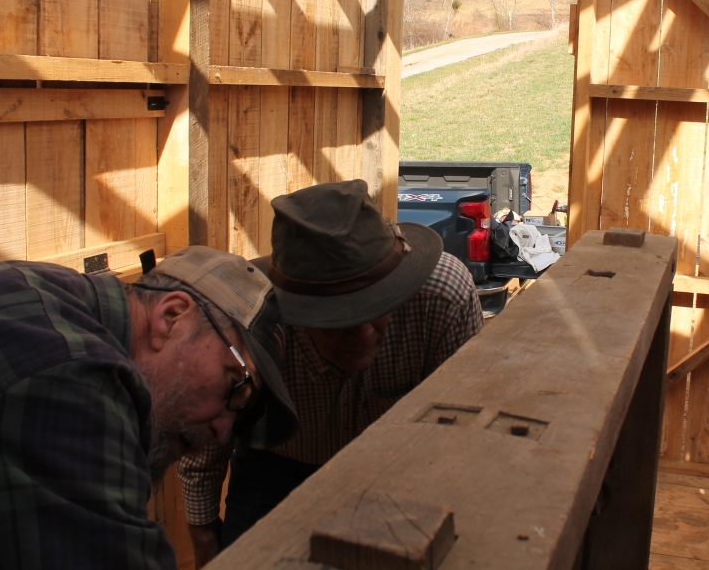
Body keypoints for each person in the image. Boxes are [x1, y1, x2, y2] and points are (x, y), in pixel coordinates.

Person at [181, 180, 484, 566]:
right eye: (335, 320)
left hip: (404, 472)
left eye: (376, 307)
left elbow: (465, 438)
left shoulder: (442, 298)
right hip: (275, 472)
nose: (361, 334)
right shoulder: (246, 323)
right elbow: (206, 441)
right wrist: (205, 536)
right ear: (294, 309)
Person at [0, 246, 299, 570]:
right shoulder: (69, 378)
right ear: (171, 316)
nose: (223, 433)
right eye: (236, 386)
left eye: (241, 416)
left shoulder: (43, 294)